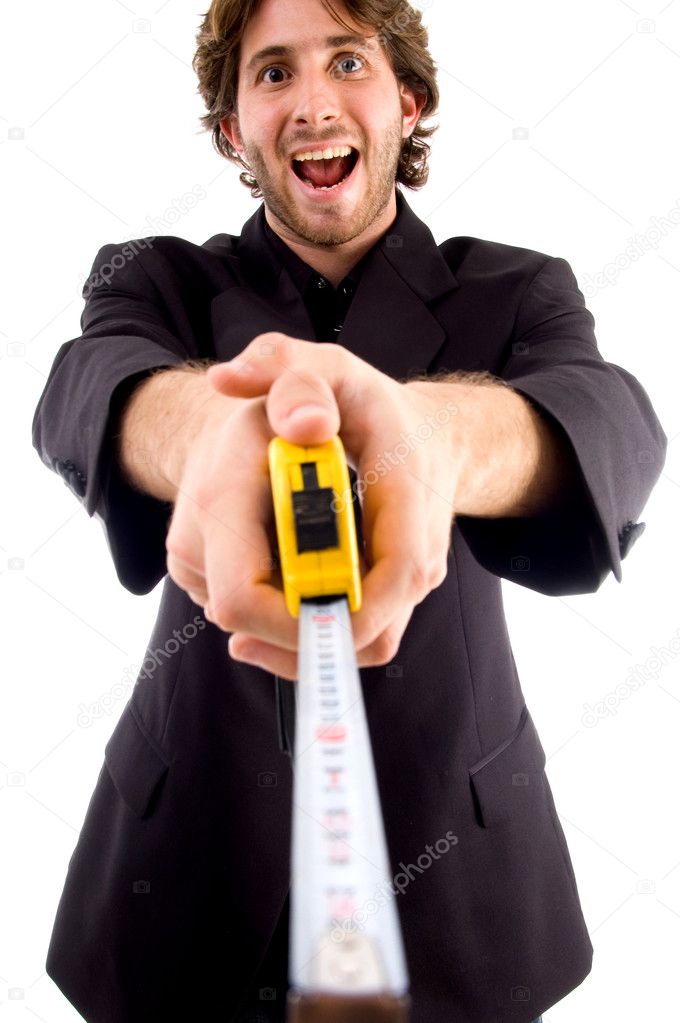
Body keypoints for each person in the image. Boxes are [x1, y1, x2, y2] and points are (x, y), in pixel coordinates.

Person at [31, 0, 665, 1021]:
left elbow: (611, 422)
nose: (313, 102)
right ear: (232, 128)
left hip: (459, 885)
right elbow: (83, 384)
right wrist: (208, 431)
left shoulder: (516, 291)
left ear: (407, 101)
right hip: (181, 875)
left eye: (348, 62)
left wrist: (437, 439)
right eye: (273, 72)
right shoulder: (157, 279)